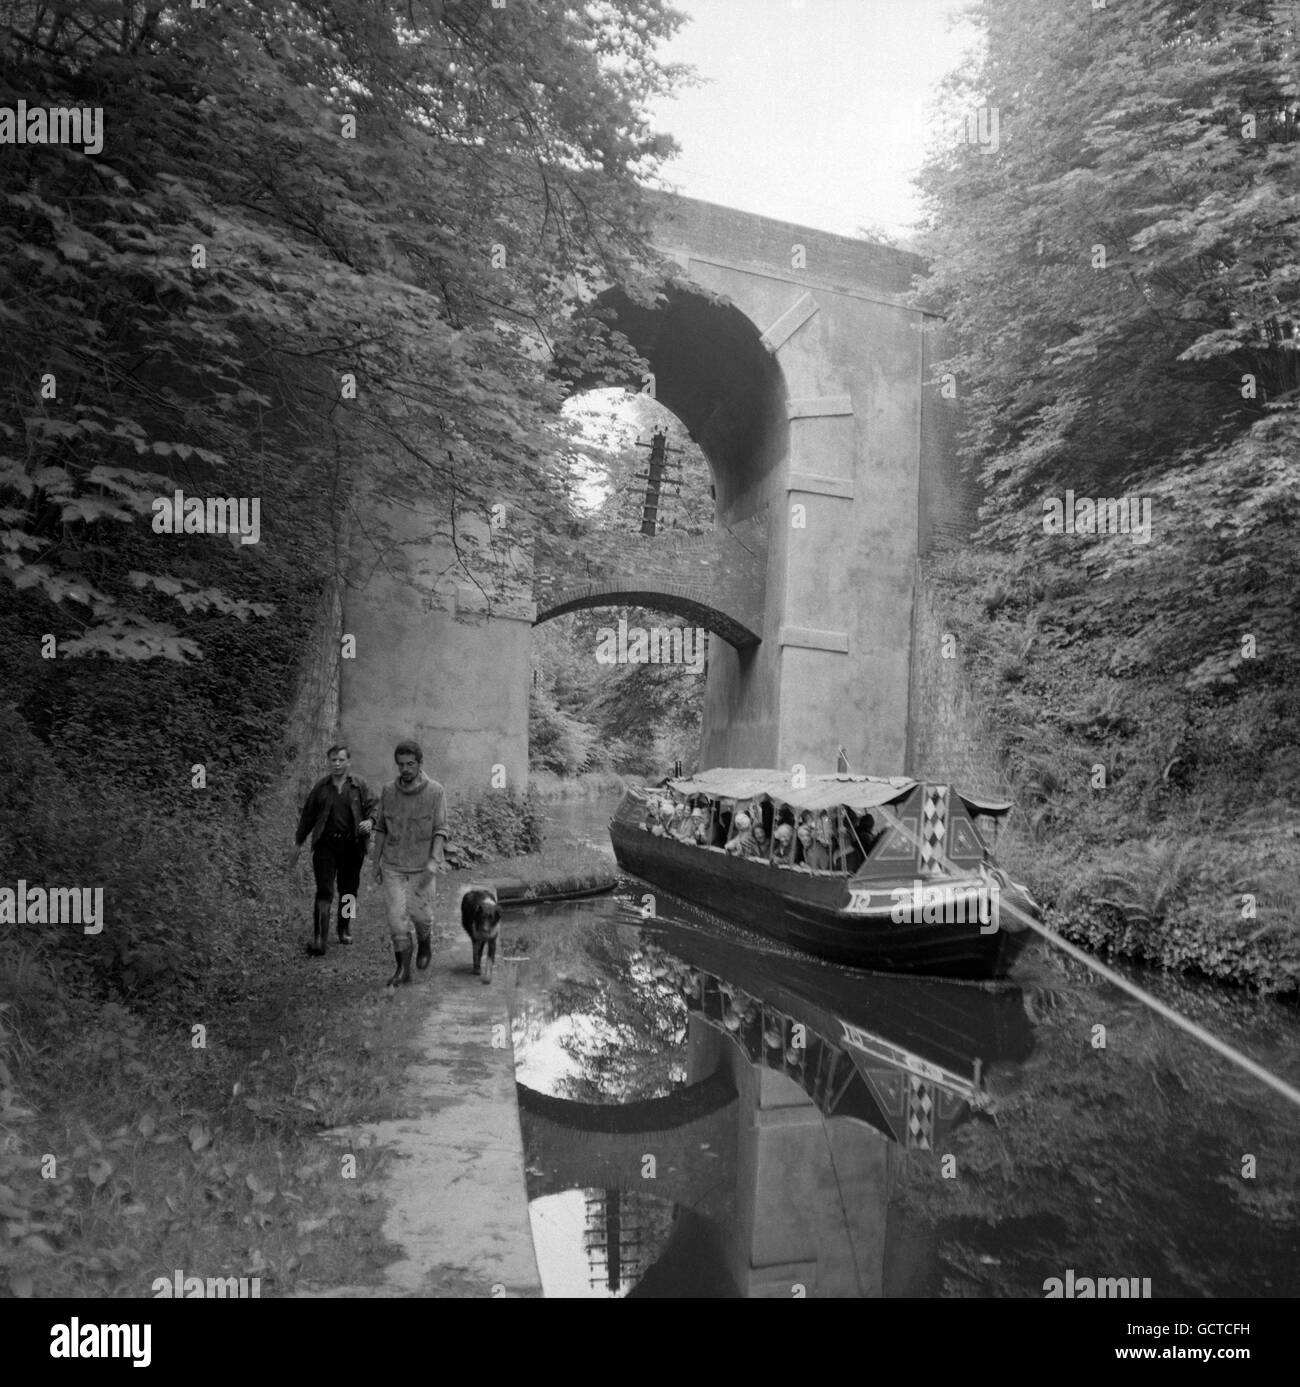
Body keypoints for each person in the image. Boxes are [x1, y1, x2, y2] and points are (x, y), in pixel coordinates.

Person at [370, 740, 448, 987]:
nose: (405, 769)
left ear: (419, 763)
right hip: (393, 865)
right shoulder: (388, 791)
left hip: (422, 868)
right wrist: (375, 863)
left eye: (410, 764)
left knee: (421, 916)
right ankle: (403, 969)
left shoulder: (436, 791)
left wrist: (434, 861)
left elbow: (441, 829)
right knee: (396, 919)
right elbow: (381, 827)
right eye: (401, 764)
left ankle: (425, 941)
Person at [289, 744, 376, 955]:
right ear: (329, 762)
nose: (336, 764)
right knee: (325, 890)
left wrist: (371, 821)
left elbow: (375, 806)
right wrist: (298, 842)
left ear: (348, 762)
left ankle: (344, 928)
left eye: (340, 760)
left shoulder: (359, 785)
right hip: (326, 846)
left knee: (350, 890)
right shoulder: (321, 787)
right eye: (333, 760)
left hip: (352, 845)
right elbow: (308, 816)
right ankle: (320, 937)